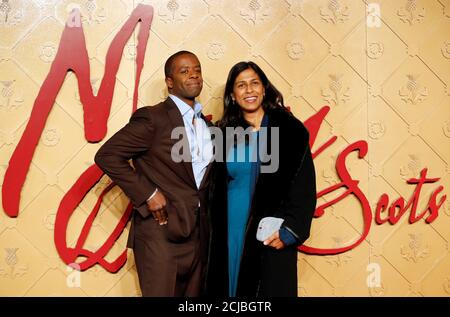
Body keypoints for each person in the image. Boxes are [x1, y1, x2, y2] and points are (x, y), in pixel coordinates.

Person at [95, 51, 213, 296]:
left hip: (200, 238)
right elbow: (107, 155)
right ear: (170, 82)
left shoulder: (207, 127)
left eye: (197, 70)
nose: (193, 75)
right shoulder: (153, 118)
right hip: (161, 235)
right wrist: (148, 193)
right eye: (184, 71)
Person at [205, 61, 316, 297]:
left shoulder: (289, 131)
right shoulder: (225, 133)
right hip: (230, 228)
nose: (249, 90)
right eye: (241, 85)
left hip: (269, 231)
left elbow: (305, 188)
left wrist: (290, 231)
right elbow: (214, 186)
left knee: (268, 289)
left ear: (264, 88)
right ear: (233, 95)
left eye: (254, 83)